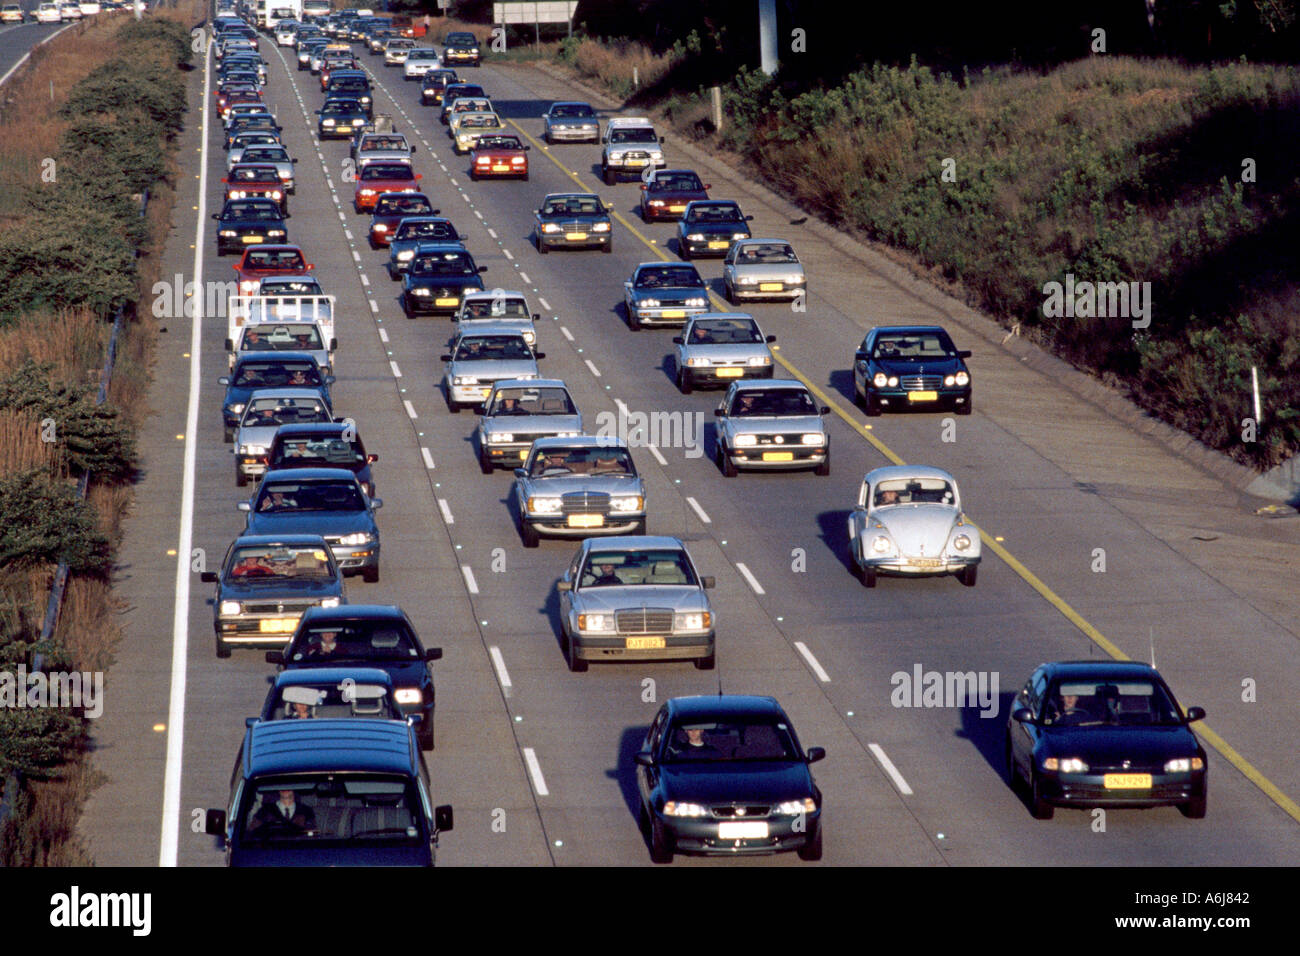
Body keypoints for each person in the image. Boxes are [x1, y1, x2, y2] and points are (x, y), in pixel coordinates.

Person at [251, 789, 316, 832]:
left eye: (289, 786)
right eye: (282, 786)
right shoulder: (264, 811)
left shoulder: (306, 811)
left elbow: (313, 835)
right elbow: (252, 834)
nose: (286, 790)